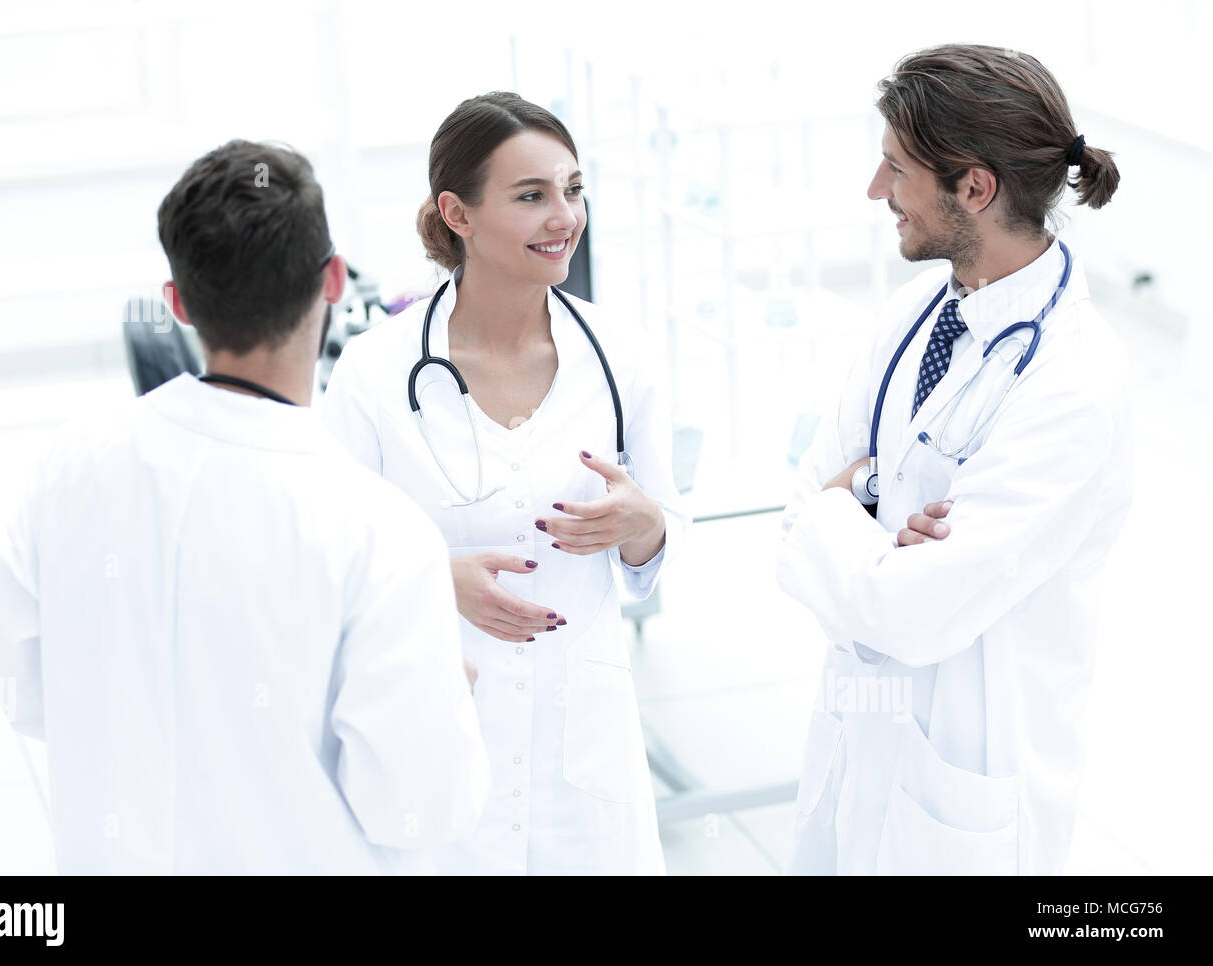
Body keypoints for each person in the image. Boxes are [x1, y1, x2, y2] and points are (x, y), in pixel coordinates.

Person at [0, 139, 489, 874]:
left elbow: (25, 690)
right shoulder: (379, 529)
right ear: (335, 280)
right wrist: (447, 698)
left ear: (177, 301)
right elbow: (416, 807)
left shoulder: (66, 470)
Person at [775, 45, 1132, 875]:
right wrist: (861, 510)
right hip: (860, 727)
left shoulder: (1072, 380)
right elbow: (793, 515)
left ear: (974, 188)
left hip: (972, 773)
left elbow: (912, 612)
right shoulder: (913, 313)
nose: (876, 191)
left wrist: (841, 509)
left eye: (895, 169)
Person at [321, 93, 689, 875]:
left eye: (573, 190)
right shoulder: (374, 375)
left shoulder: (621, 354)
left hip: (582, 741)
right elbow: (328, 562)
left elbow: (659, 545)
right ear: (457, 213)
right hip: (440, 733)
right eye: (531, 197)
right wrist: (434, 579)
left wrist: (641, 523)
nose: (564, 217)